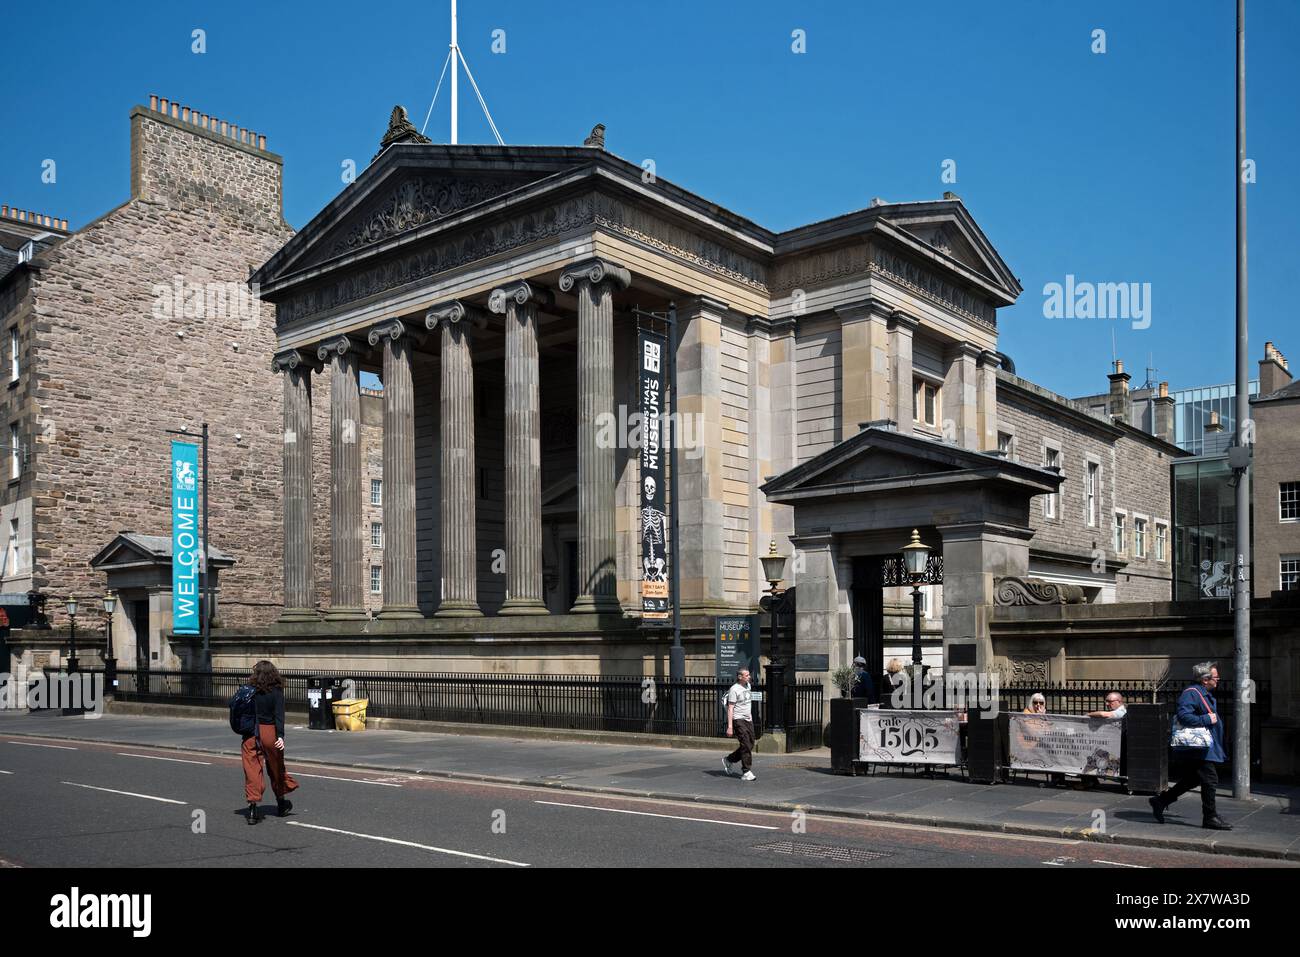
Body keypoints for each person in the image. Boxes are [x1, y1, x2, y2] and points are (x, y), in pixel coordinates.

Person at [1150, 662, 1231, 830]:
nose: (1218, 680)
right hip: (1199, 748)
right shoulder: (1191, 694)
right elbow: (1184, 716)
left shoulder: (1203, 693)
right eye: (1215, 677)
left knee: (1193, 779)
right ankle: (1210, 817)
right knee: (1210, 780)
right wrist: (1207, 719)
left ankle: (1161, 800)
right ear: (1205, 680)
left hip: (1206, 747)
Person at [242, 660, 299, 824]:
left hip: (251, 733)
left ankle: (252, 809)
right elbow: (279, 715)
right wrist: (280, 736)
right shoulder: (276, 691)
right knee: (276, 768)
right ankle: (281, 804)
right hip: (269, 732)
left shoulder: (250, 690)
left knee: (252, 770)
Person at [722, 667, 756, 781]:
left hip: (748, 719)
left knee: (750, 743)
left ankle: (729, 759)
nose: (749, 677)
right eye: (747, 675)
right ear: (740, 677)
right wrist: (730, 726)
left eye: (749, 675)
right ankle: (746, 771)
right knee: (745, 744)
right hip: (738, 720)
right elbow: (730, 708)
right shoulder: (734, 689)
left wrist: (750, 715)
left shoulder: (748, 685)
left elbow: (747, 703)